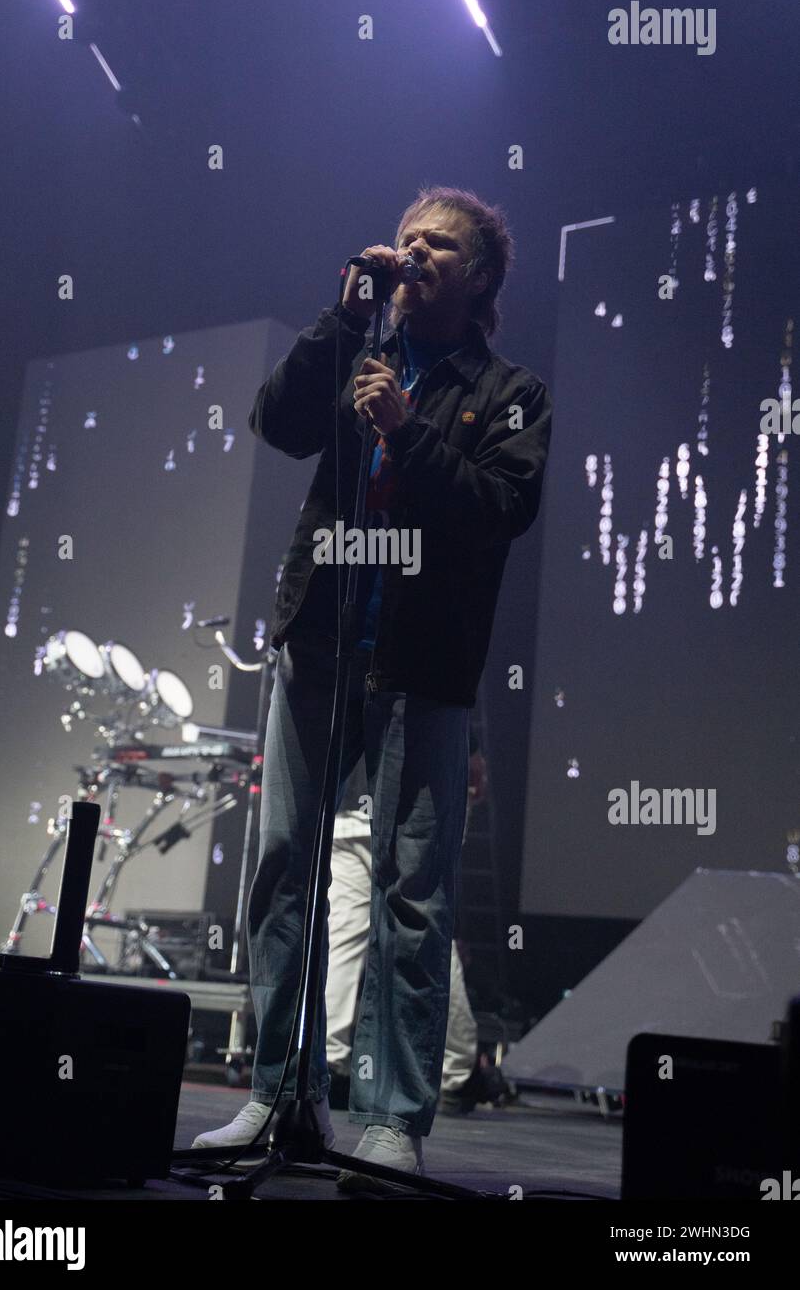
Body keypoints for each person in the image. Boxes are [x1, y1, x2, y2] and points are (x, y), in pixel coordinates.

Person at [193, 185, 552, 1189]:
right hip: (319, 645)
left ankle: (389, 1116)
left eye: (436, 244)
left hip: (425, 667)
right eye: (405, 240)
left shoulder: (509, 389)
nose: (413, 252)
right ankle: (278, 1089)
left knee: (409, 896)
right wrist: (341, 315)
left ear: (476, 276)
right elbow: (276, 423)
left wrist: (411, 430)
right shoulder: (361, 348)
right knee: (281, 871)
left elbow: (500, 509)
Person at [325, 741, 485, 1116]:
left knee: (343, 938)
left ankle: (331, 1062)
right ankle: (456, 1071)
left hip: (350, 802)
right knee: (423, 932)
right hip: (415, 799)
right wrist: (473, 753)